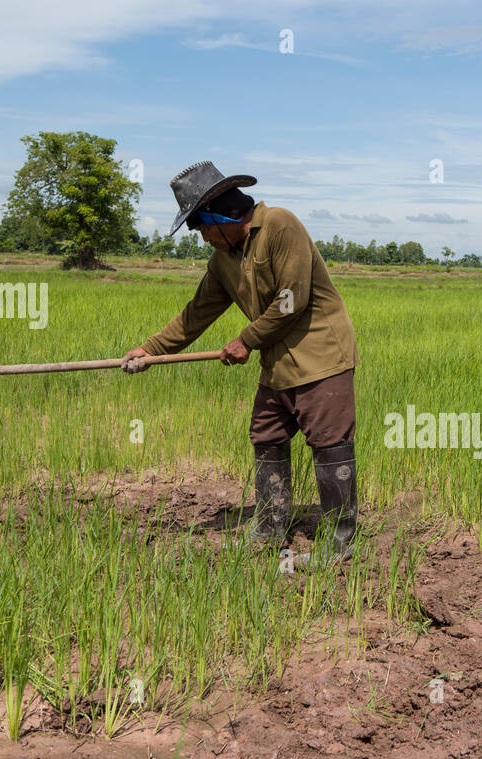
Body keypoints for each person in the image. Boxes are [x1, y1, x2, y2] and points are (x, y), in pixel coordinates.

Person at [122, 162, 360, 560]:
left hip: (321, 356)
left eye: (200, 230)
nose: (202, 240)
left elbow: (291, 300)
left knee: (329, 442)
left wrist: (246, 340)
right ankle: (270, 528)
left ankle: (340, 543)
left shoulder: (280, 226)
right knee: (266, 433)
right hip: (278, 361)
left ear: (219, 218)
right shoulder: (224, 260)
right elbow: (196, 313)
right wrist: (151, 350)